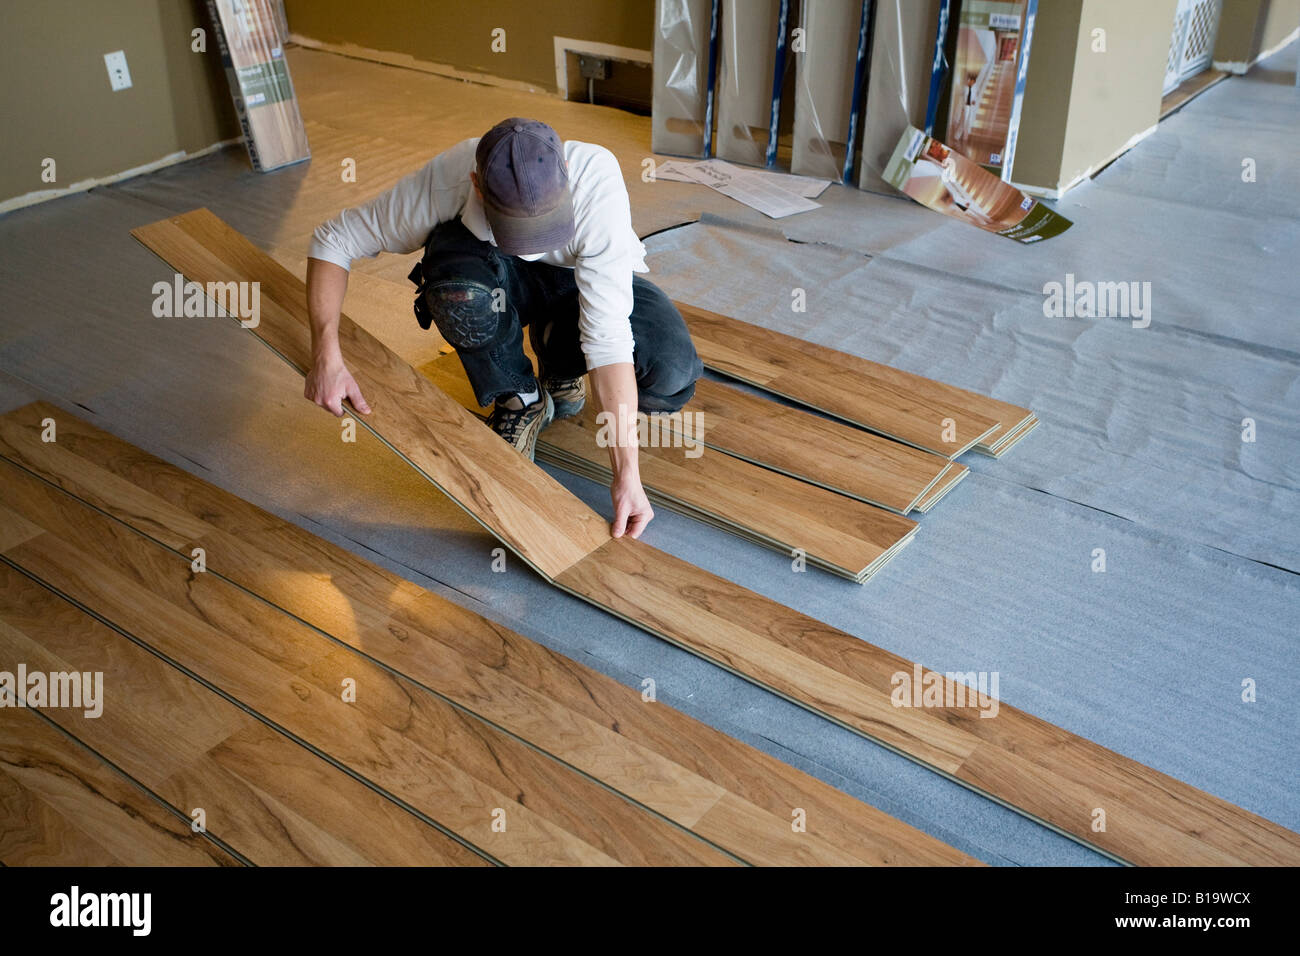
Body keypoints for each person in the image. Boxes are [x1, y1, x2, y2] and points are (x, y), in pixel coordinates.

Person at [303, 118, 703, 540]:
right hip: (500, 282)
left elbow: (609, 338)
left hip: (578, 285)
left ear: (565, 172)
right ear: (477, 186)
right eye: (520, 231)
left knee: (670, 373)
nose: (535, 244)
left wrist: (628, 477)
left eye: (545, 228)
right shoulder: (448, 179)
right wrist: (326, 356)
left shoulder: (596, 183)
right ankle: (520, 399)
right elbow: (333, 240)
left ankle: (559, 356)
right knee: (456, 286)